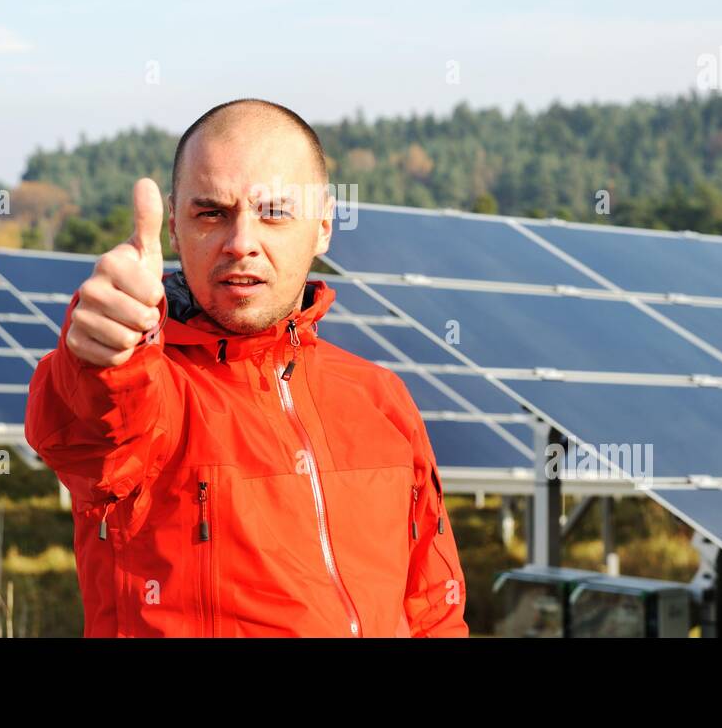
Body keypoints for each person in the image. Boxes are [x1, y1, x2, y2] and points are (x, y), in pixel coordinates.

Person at [24, 98, 468, 637]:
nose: (242, 244)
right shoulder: (153, 388)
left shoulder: (379, 397)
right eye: (211, 213)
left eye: (275, 212)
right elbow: (90, 429)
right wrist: (101, 359)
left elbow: (431, 608)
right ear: (173, 225)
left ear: (323, 225)